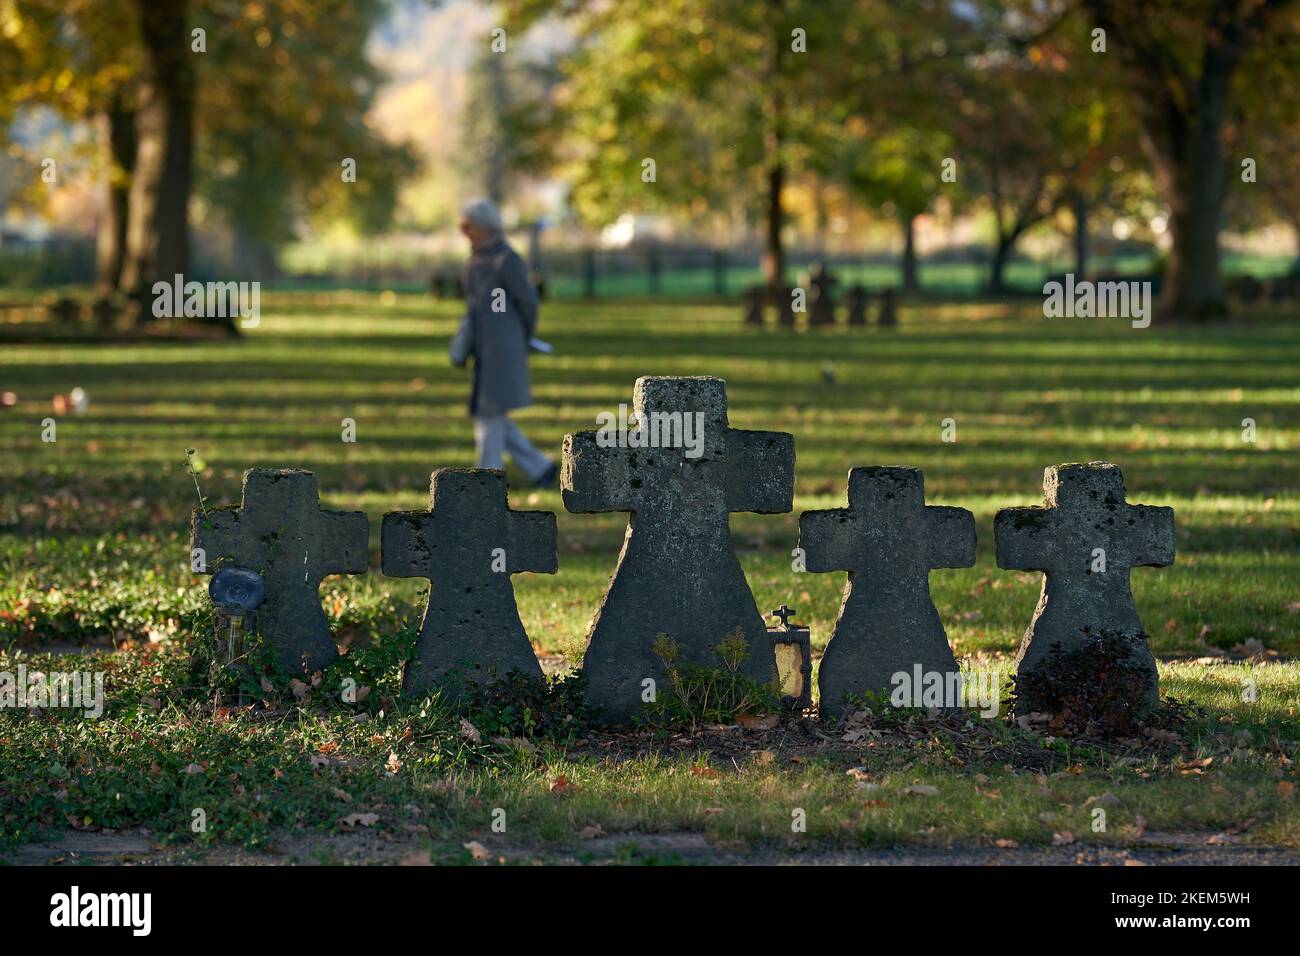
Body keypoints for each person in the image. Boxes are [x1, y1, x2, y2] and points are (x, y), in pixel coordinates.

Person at [449, 198, 558, 488]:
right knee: (491, 410)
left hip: (503, 346)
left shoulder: (507, 258)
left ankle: (487, 479)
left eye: (467, 226)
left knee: (488, 410)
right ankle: (541, 468)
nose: (463, 232)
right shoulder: (475, 259)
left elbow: (528, 302)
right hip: (484, 346)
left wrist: (519, 335)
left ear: (484, 227)